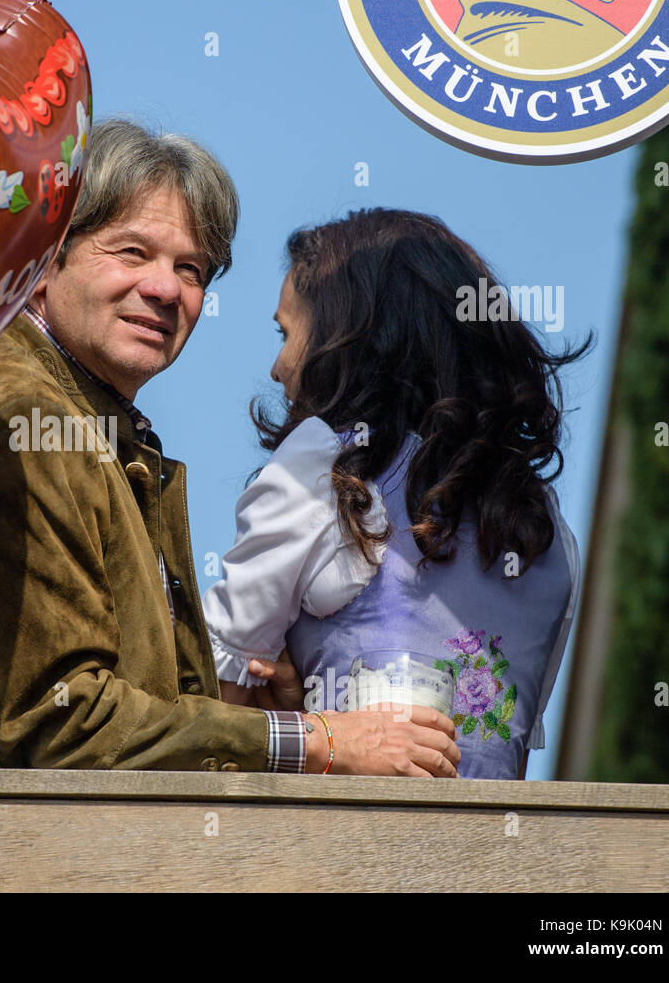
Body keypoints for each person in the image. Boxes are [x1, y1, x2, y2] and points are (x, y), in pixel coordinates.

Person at [0, 121, 460, 776]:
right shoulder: (16, 422)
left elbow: (129, 731)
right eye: (132, 252)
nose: (166, 289)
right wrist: (313, 740)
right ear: (44, 261)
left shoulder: (79, 421)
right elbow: (67, 727)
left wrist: (268, 722)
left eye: (190, 269)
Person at [207, 208, 585, 779]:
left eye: (286, 334)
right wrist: (303, 704)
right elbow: (509, 757)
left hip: (352, 835)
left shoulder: (325, 465)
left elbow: (215, 709)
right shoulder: (546, 527)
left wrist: (304, 727)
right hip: (497, 838)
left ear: (346, 336)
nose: (279, 366)